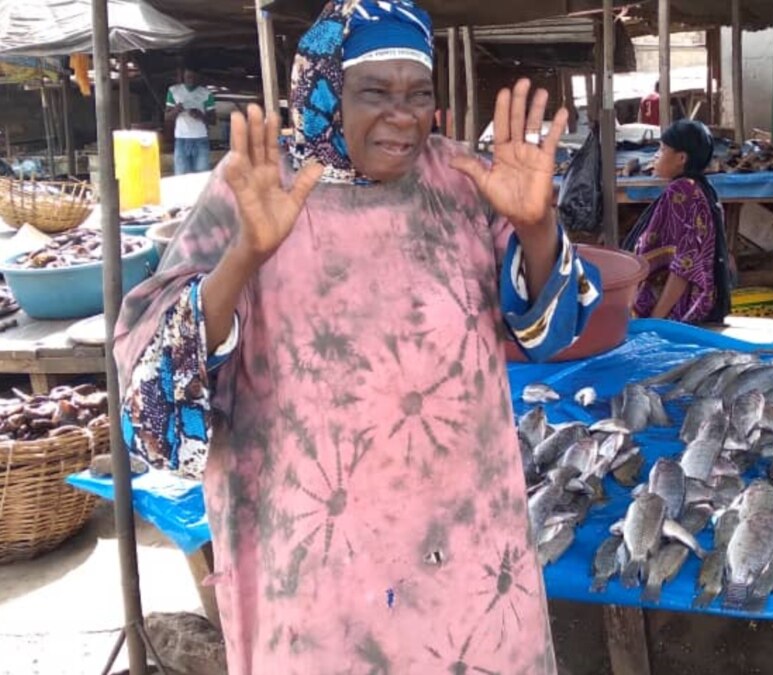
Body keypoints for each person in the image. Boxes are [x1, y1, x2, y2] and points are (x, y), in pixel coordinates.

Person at [114, 1, 601, 672]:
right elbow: (154, 400)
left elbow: (550, 330)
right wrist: (245, 256)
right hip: (317, 562)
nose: (404, 116)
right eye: (375, 92)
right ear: (324, 91)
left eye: (419, 94)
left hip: (464, 550)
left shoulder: (461, 183)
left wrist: (537, 226)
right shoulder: (256, 188)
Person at [622, 119, 731, 324]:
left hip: (677, 313)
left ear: (681, 158)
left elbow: (684, 265)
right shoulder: (702, 188)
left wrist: (656, 320)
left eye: (662, 149)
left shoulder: (682, 192)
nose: (656, 156)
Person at [166, 62, 217, 175]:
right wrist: (176, 110)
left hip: (201, 140)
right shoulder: (173, 91)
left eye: (194, 77)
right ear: (183, 76)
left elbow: (213, 120)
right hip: (181, 140)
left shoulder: (206, 93)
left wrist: (201, 116)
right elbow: (167, 117)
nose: (191, 80)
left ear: (199, 78)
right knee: (181, 177)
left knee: (202, 177)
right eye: (189, 77)